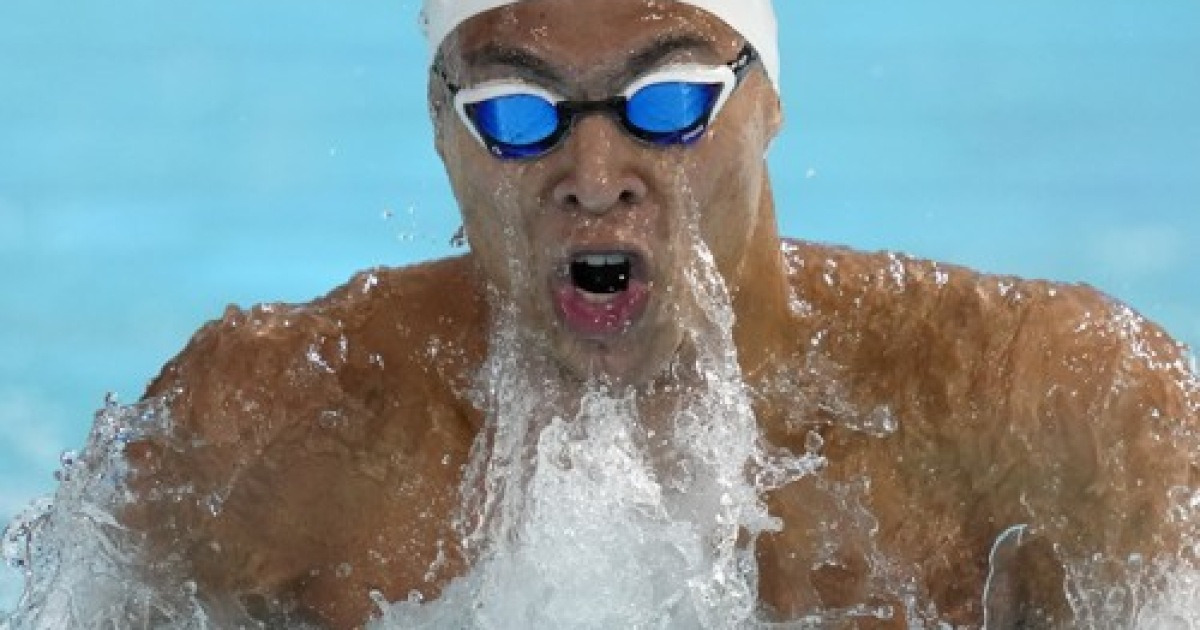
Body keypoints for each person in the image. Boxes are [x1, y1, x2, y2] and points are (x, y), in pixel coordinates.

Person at [117, 0, 1199, 627]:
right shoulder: (264, 437)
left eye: (668, 101)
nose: (596, 173)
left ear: (769, 104)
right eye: (517, 114)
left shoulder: (1056, 413)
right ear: (445, 137)